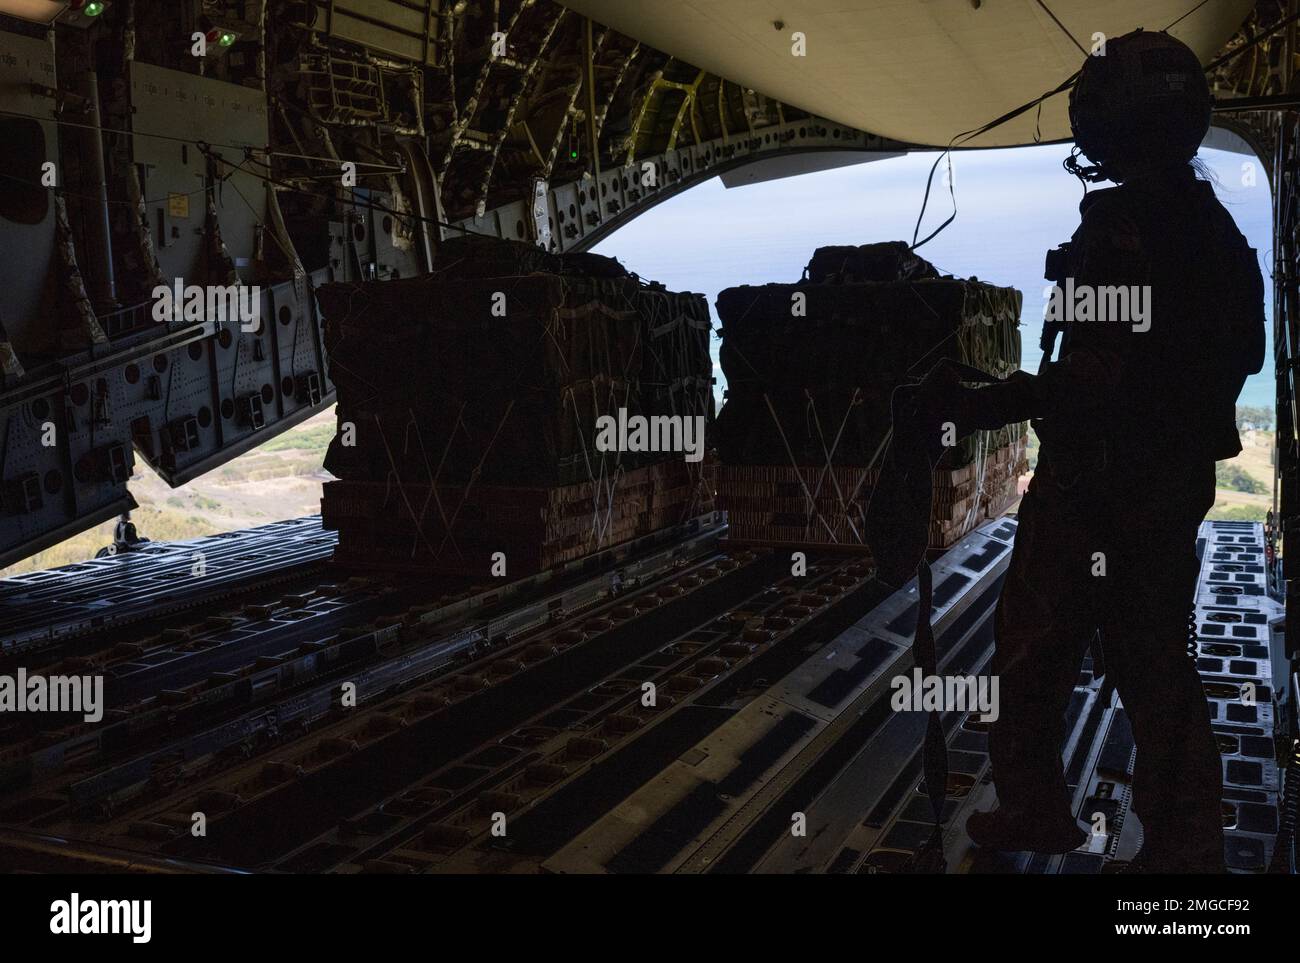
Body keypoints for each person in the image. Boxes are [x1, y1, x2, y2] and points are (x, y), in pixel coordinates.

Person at [949, 29, 1266, 872]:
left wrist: (997, 401)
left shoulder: (1134, 230)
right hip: (1157, 487)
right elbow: (1227, 356)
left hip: (1100, 483)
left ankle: (1042, 809)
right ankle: (1181, 849)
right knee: (1150, 660)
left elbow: (1096, 375)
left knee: (1041, 647)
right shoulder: (1213, 235)